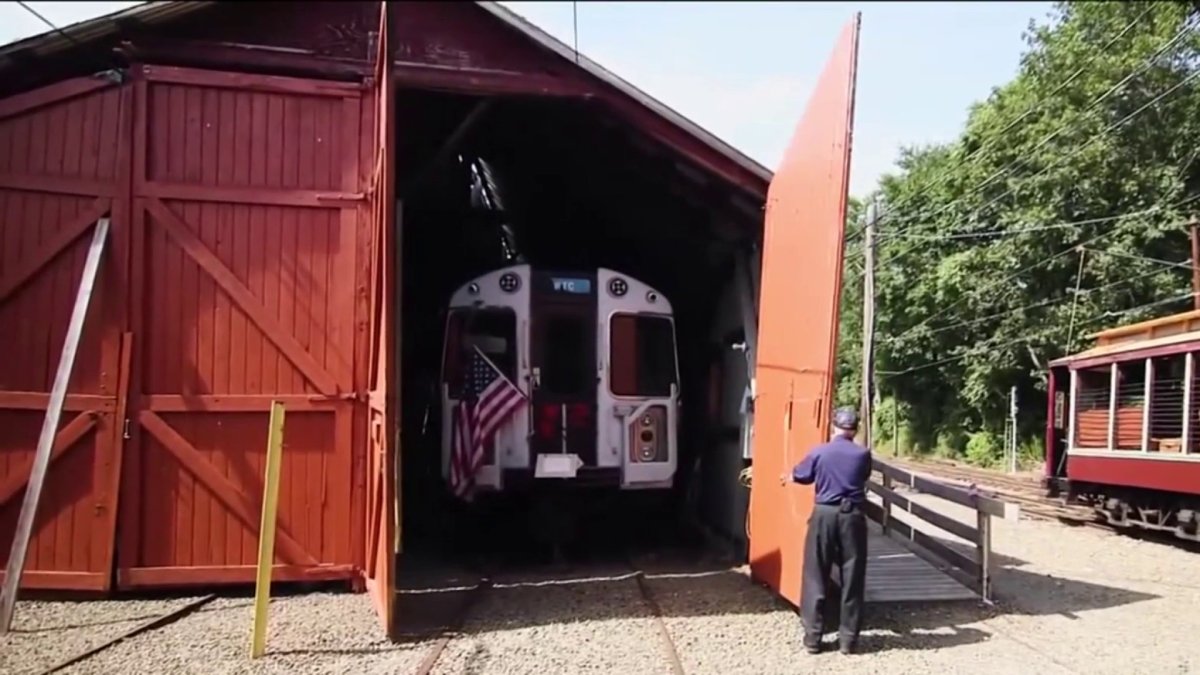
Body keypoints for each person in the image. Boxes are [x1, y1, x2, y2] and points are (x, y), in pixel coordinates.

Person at [782, 406, 872, 655]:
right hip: (852, 516)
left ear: (834, 427)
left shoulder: (820, 452)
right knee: (852, 577)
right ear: (854, 429)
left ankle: (813, 638)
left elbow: (802, 475)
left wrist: (789, 475)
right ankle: (848, 641)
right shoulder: (863, 454)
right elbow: (863, 477)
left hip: (824, 514)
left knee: (816, 574)